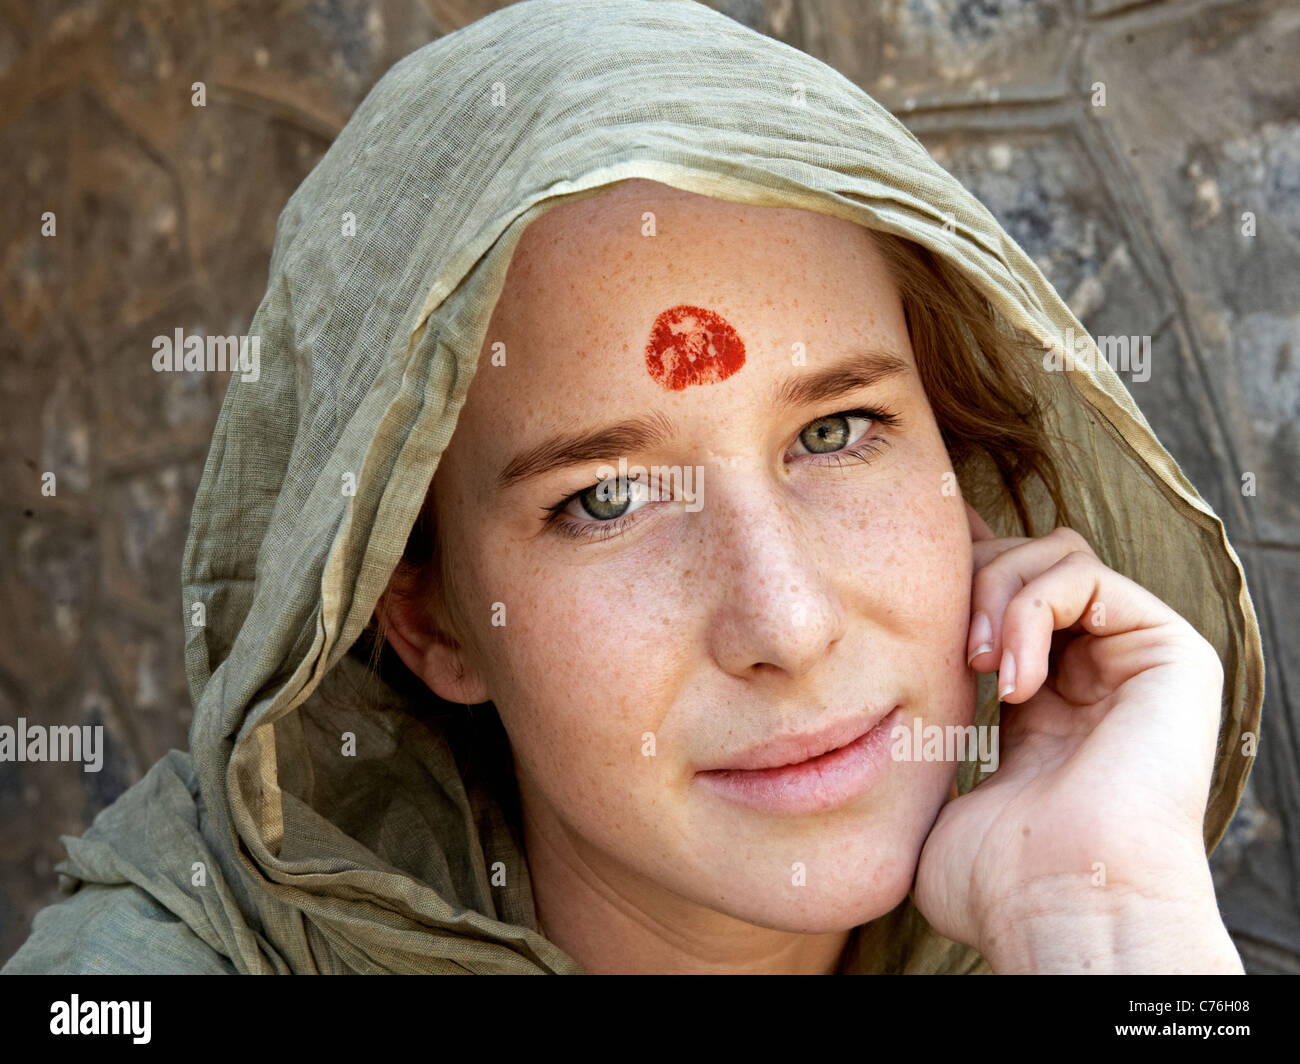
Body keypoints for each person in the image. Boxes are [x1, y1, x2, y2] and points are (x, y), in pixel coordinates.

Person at [3, 0, 1262, 975]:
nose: (784, 621)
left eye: (837, 430)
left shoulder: (1063, 932)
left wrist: (1104, 919)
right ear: (431, 618)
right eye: (602, 498)